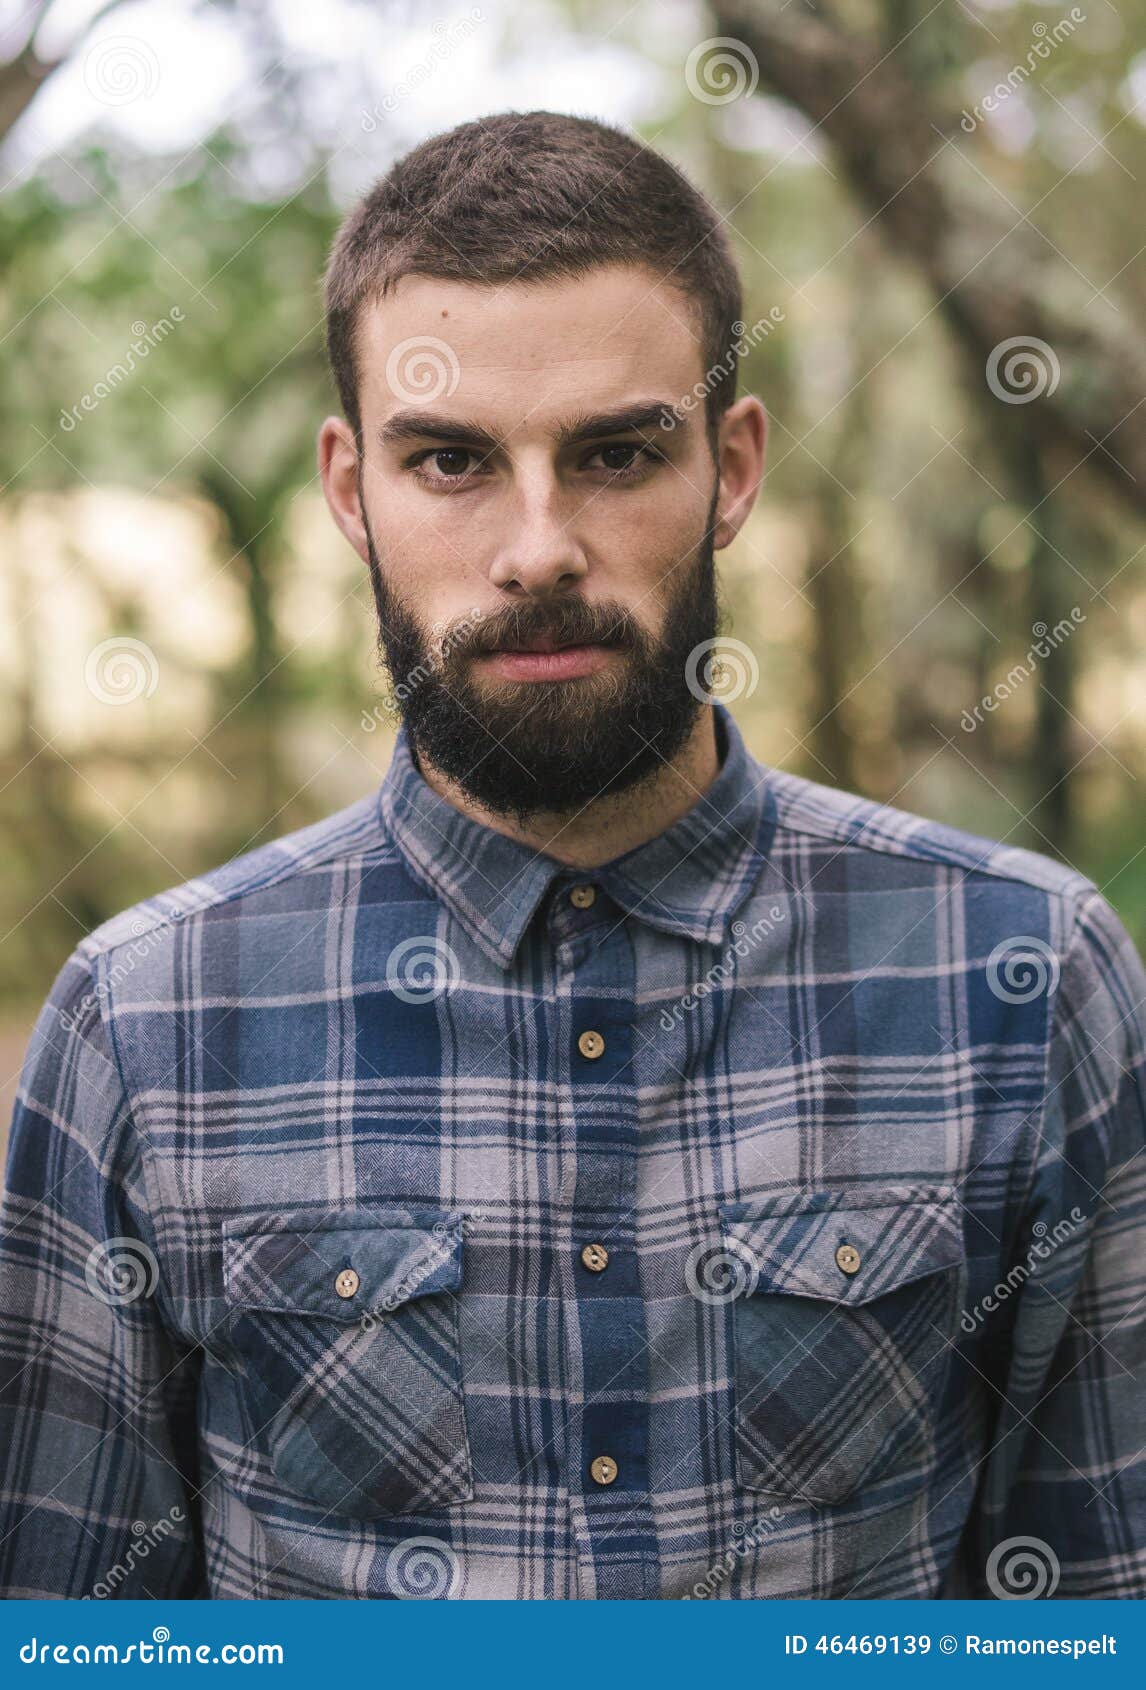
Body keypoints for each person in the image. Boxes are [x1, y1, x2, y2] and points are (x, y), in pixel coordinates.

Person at [1, 110, 1143, 1601]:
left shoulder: (1021, 978)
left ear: (731, 467)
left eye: (613, 452)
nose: (537, 548)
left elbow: (1092, 1608)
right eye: (452, 461)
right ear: (351, 493)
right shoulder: (144, 1022)